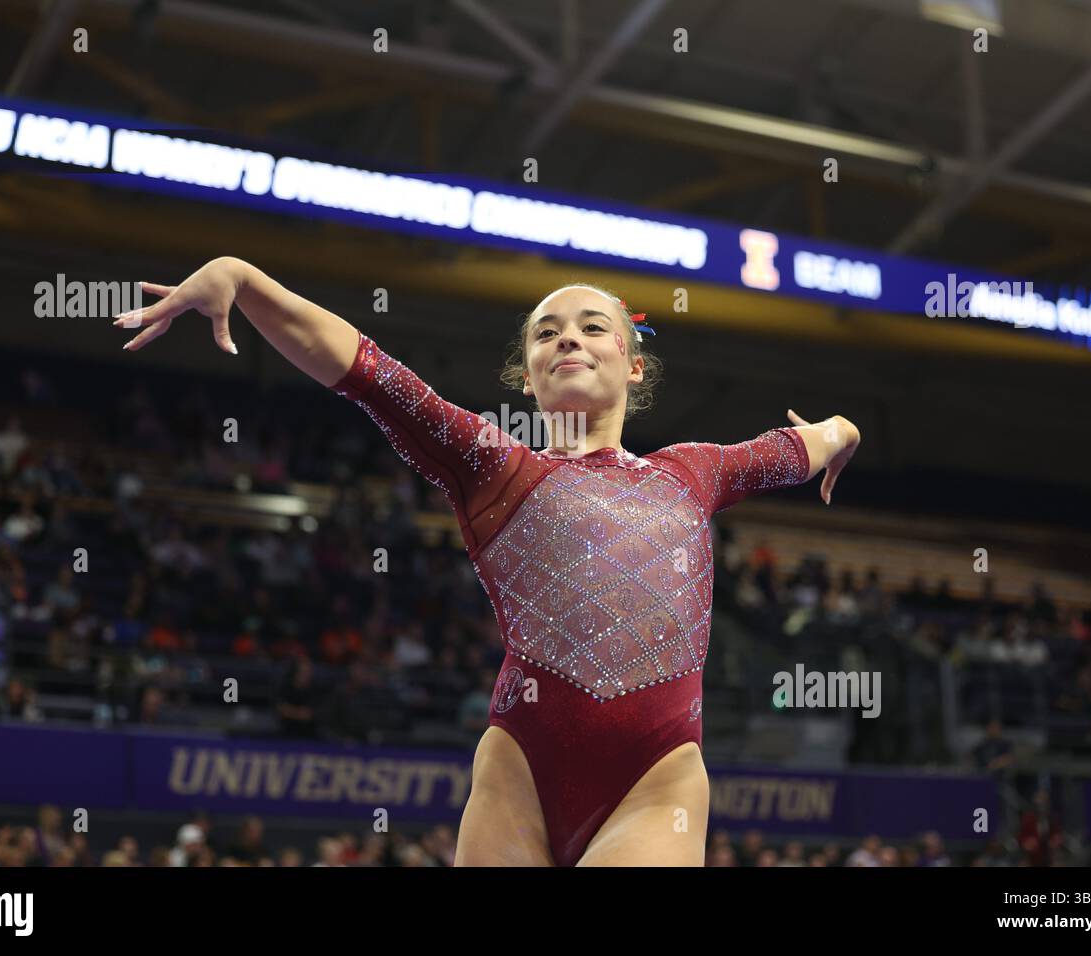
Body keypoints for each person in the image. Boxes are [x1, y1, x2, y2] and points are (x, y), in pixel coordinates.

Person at [115, 258, 860, 866]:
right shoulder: (493, 465)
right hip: (521, 770)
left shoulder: (692, 473)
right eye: (546, 334)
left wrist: (842, 430)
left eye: (592, 327)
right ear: (528, 377)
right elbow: (364, 369)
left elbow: (801, 446)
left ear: (634, 368)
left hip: (657, 776)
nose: (567, 340)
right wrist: (243, 280)